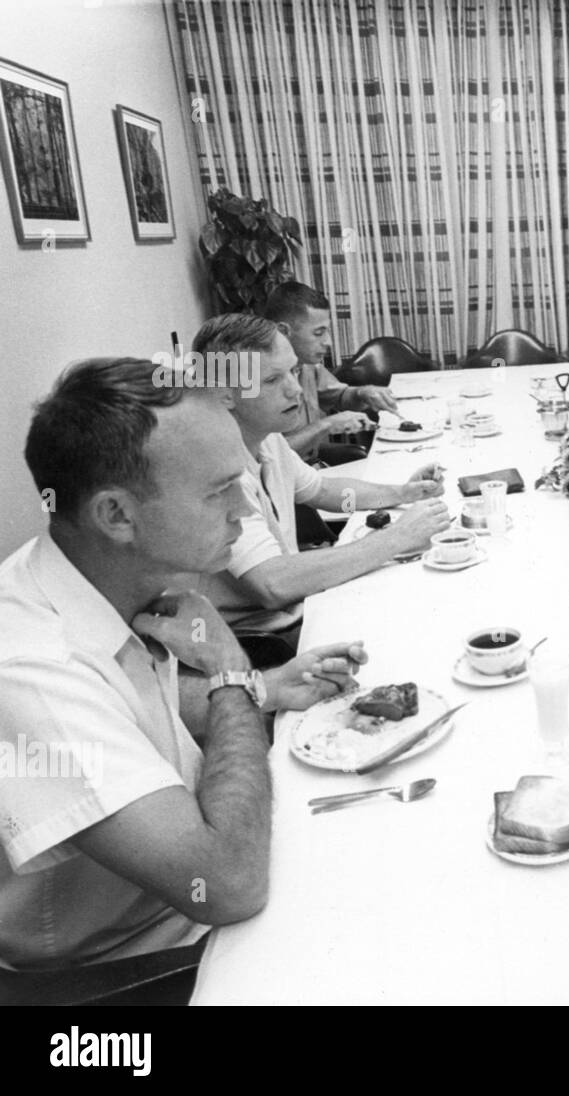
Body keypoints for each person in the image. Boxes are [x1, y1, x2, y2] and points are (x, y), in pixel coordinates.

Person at [0, 358, 368, 970]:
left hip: (194, 895)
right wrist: (229, 679)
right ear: (116, 515)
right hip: (143, 961)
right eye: (219, 490)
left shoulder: (107, 579)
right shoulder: (30, 670)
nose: (245, 511)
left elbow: (126, 710)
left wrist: (264, 686)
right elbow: (227, 886)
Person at [193, 314, 451, 639]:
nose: (295, 389)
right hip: (265, 643)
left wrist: (403, 493)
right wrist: (398, 538)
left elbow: (324, 490)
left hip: (295, 611)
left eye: (292, 371)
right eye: (273, 380)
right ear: (225, 394)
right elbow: (273, 584)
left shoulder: (265, 437)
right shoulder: (211, 468)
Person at [262, 281, 399, 459]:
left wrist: (363, 392)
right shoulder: (253, 380)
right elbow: (265, 457)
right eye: (318, 333)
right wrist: (324, 425)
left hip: (313, 470)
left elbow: (340, 396)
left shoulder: (308, 365)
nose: (328, 342)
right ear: (282, 331)